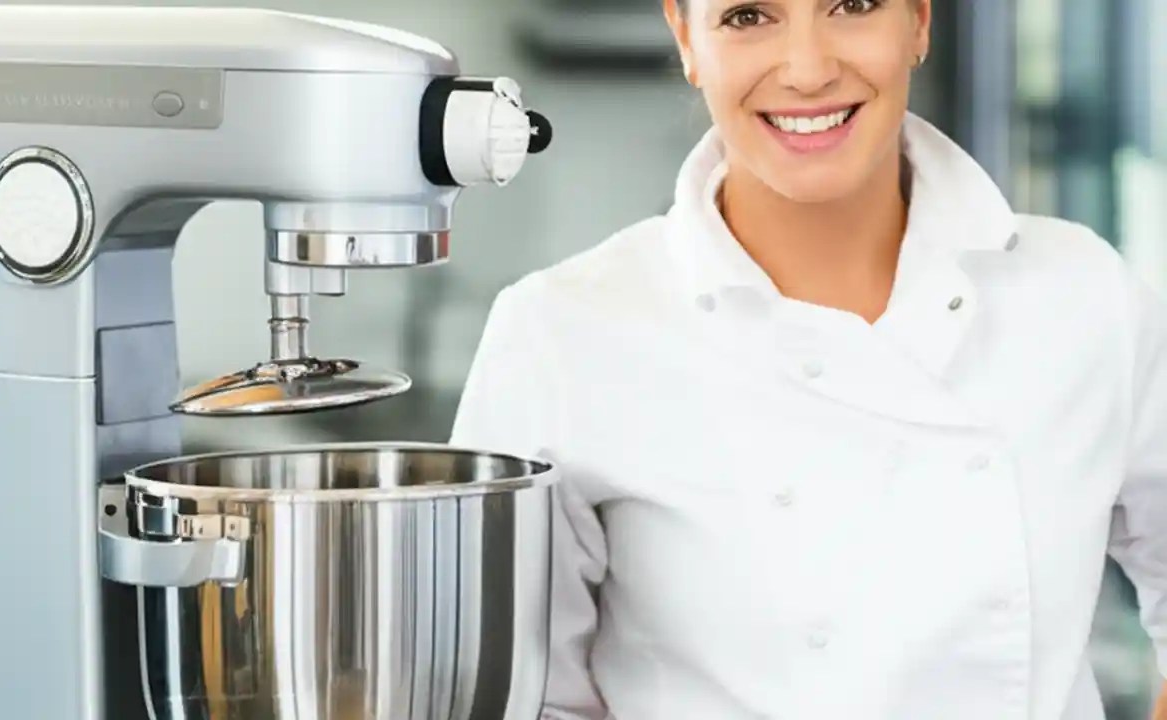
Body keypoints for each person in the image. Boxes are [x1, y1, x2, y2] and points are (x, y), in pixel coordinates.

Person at [450, 0, 1167, 718]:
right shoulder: (561, 333)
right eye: (747, 16)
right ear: (686, 36)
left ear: (918, 21)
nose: (808, 69)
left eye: (852, 6)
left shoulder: (1084, 296)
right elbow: (511, 702)